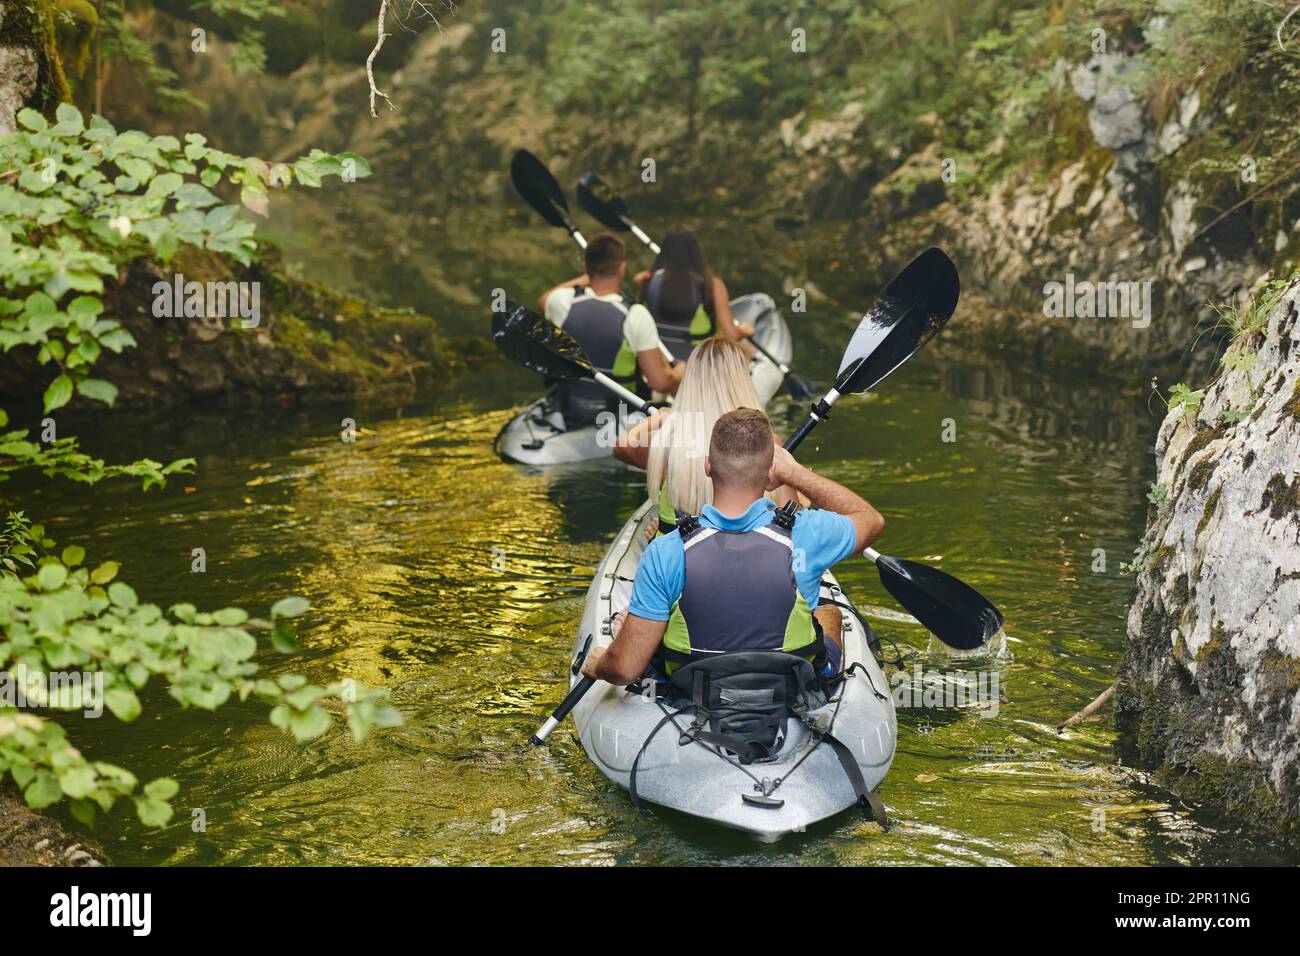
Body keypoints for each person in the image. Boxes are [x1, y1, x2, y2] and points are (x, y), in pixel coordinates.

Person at [583, 407, 884, 684]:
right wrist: (795, 473)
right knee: (827, 611)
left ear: (707, 467)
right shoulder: (808, 534)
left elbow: (623, 670)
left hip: (693, 688)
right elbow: (871, 520)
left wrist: (599, 664)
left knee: (640, 627)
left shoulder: (665, 551)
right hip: (790, 684)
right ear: (770, 473)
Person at [537, 233, 683, 426]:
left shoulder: (562, 302)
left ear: (585, 269)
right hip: (619, 413)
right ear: (622, 269)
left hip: (570, 405)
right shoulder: (636, 315)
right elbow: (660, 383)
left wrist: (587, 275)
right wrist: (681, 371)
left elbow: (544, 299)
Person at [635, 226, 755, 362]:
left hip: (661, 361)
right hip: (699, 363)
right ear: (695, 251)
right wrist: (744, 330)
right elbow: (731, 335)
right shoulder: (712, 286)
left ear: (664, 251)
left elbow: (642, 278)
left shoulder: (645, 281)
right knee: (746, 347)